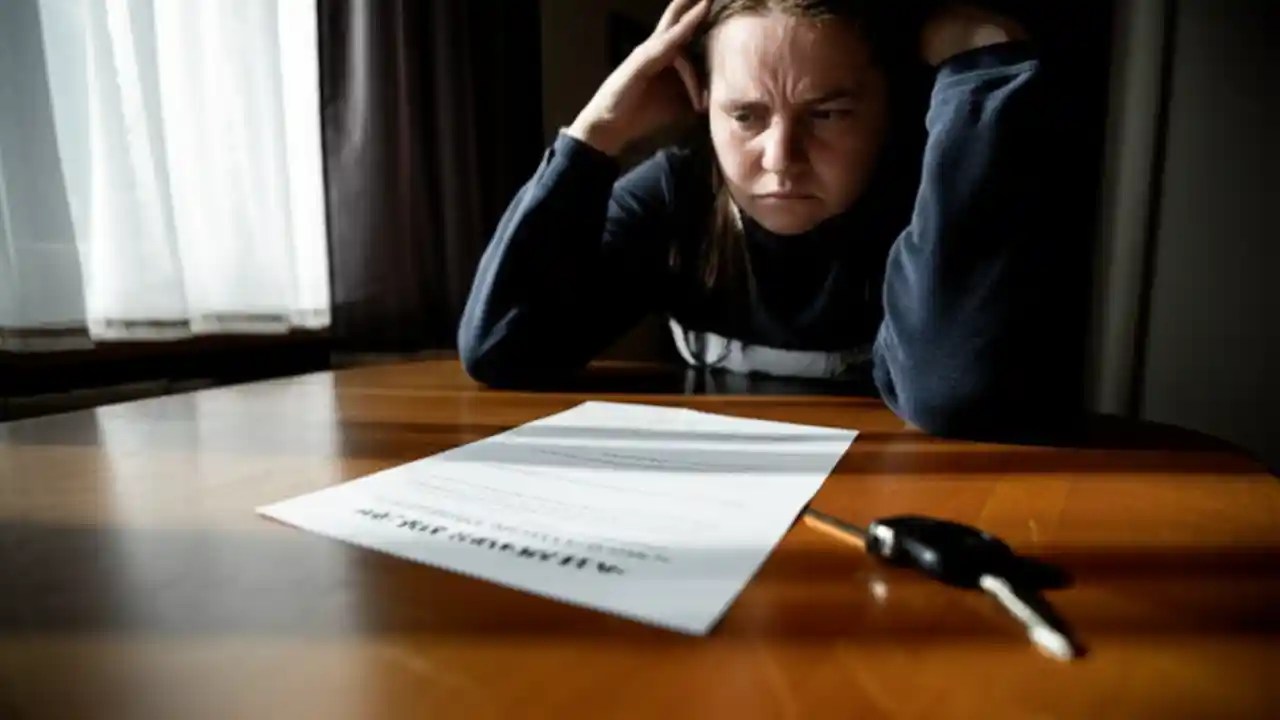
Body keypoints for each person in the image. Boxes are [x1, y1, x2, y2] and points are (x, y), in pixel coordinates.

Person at [458, 0, 1083, 438]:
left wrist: (983, 70)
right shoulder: (680, 195)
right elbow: (500, 347)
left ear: (888, 110)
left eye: (828, 114)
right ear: (706, 107)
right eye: (746, 116)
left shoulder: (923, 206)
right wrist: (598, 131)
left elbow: (951, 393)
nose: (781, 160)